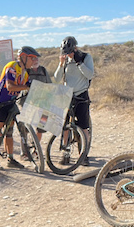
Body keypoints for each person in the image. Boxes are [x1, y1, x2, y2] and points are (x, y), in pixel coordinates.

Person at [0, 46, 37, 168]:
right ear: (23, 57)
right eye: (32, 58)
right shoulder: (12, 67)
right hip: (0, 101)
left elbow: (29, 86)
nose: (34, 61)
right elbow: (10, 86)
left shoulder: (25, 73)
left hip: (11, 102)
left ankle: (10, 159)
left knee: (9, 132)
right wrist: (27, 87)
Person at [54, 36, 94, 164]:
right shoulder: (65, 60)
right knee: (66, 127)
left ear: (75, 48)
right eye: (66, 53)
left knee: (83, 127)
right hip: (67, 96)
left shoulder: (85, 57)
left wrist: (79, 63)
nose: (68, 55)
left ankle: (83, 155)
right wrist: (61, 64)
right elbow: (57, 78)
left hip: (81, 95)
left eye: (70, 52)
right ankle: (65, 154)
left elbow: (90, 75)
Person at [26, 53, 52, 140]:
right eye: (33, 59)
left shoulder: (43, 70)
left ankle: (36, 146)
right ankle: (24, 147)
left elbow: (50, 85)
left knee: (41, 127)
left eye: (37, 58)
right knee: (25, 127)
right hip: (29, 103)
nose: (35, 61)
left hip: (43, 103)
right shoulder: (26, 71)